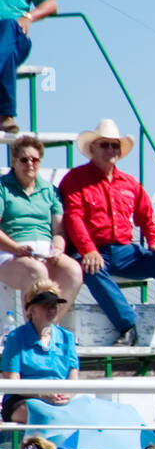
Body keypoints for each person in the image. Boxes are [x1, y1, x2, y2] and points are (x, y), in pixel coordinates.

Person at [57, 119, 155, 348]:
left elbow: (147, 215)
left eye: (115, 145)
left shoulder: (130, 183)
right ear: (92, 148)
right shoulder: (75, 179)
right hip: (94, 250)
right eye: (105, 145)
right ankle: (127, 325)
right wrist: (88, 249)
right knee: (89, 267)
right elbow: (73, 218)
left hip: (124, 250)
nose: (111, 150)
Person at [0, 134, 82, 314]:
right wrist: (16, 248)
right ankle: (33, 332)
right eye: (24, 159)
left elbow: (59, 230)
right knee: (36, 271)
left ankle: (48, 328)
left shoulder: (50, 190)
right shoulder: (2, 187)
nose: (30, 164)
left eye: (35, 160)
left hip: (44, 251)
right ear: (14, 161)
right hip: (9, 253)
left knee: (74, 271)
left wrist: (58, 249)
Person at [0, 0, 57, 134]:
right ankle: (5, 115)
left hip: (16, 37)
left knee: (7, 27)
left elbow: (50, 3)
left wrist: (29, 16)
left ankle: (5, 113)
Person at [0, 280, 77, 423]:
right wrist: (41, 394)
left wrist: (66, 395)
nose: (52, 310)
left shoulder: (67, 337)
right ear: (31, 309)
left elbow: (73, 376)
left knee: (86, 415)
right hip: (23, 398)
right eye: (46, 306)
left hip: (59, 398)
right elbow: (12, 381)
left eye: (54, 306)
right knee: (48, 417)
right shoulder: (15, 337)